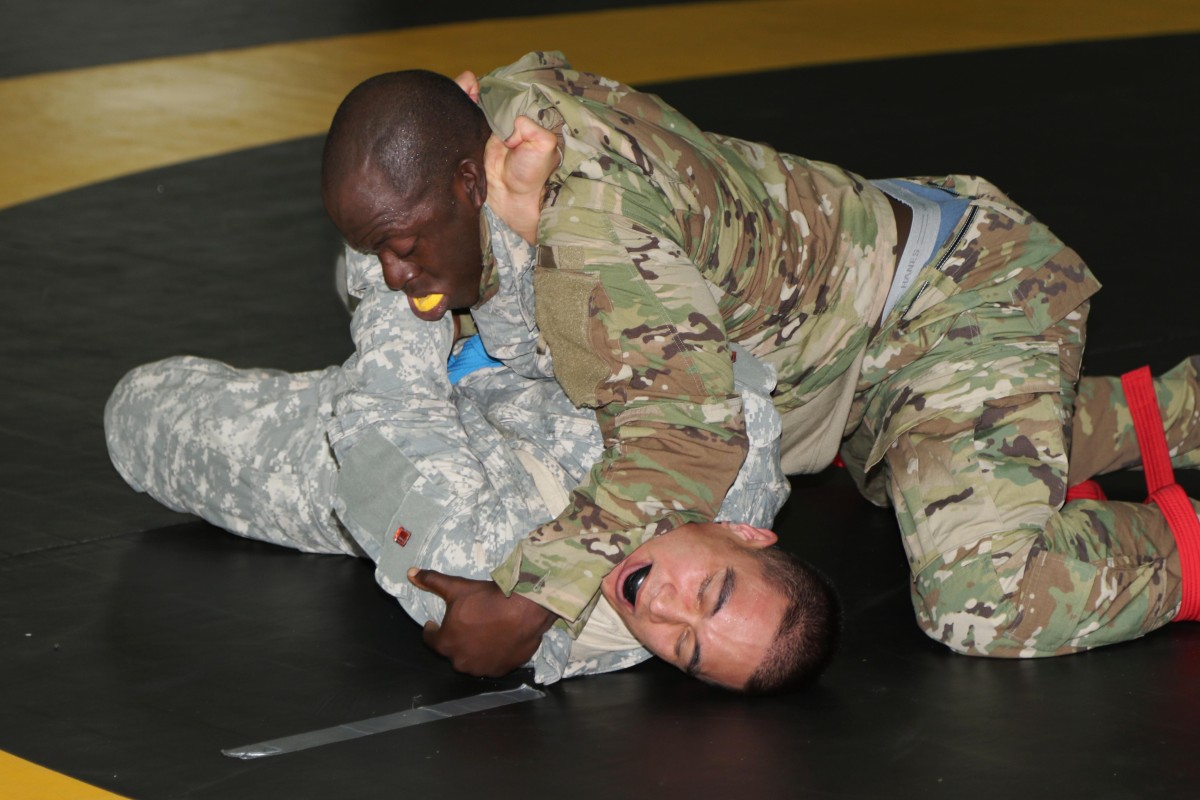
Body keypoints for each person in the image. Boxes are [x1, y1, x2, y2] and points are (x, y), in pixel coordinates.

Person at [319, 50, 1198, 671]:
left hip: (951, 301)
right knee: (918, 473)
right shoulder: (506, 128)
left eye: (403, 245)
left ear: (469, 182)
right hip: (857, 356)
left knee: (986, 602)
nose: (397, 274)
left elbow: (687, 443)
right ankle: (1177, 412)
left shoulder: (592, 236)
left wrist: (530, 599)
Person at [103, 208, 839, 690]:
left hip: (355, 440)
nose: (668, 611)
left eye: (686, 649)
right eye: (710, 593)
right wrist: (470, 262)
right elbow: (610, 308)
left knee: (136, 412)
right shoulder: (729, 434)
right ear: (745, 531)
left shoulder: (503, 603)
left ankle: (388, 269)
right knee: (424, 195)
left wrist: (410, 287)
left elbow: (387, 419)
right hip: (509, 356)